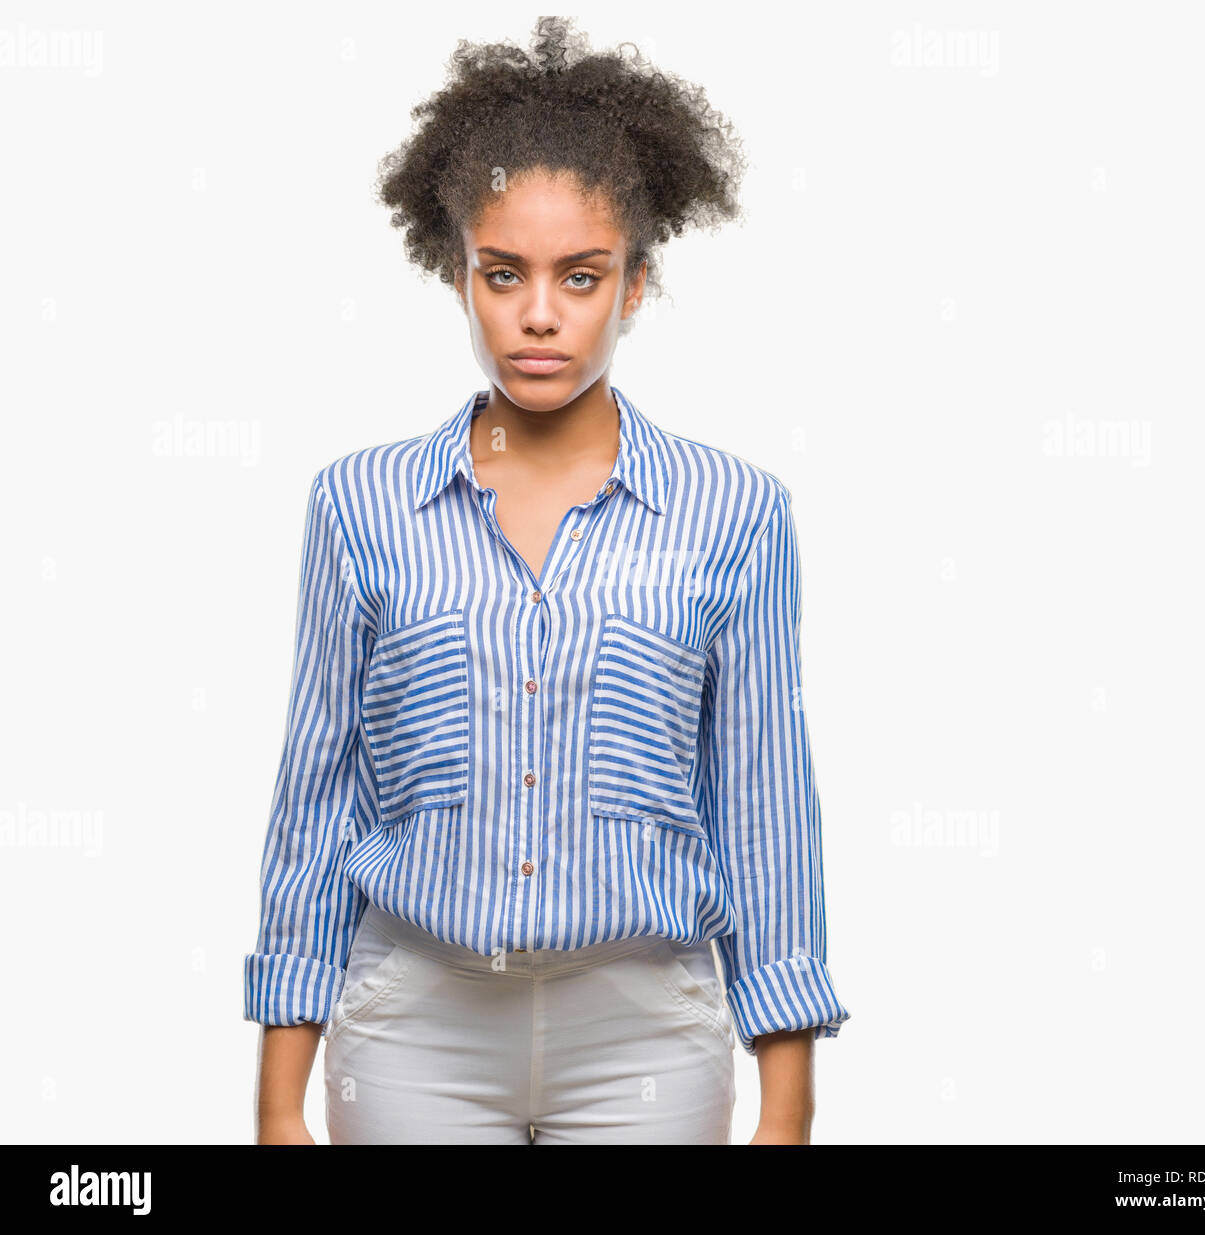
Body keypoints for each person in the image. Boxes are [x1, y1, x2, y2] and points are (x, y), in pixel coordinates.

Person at [243, 15, 849, 1146]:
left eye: (581, 276)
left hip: (645, 1036)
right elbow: (316, 799)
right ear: (456, 270)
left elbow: (765, 806)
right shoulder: (359, 505)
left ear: (635, 283)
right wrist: (279, 1099)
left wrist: (789, 1108)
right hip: (411, 1025)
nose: (537, 313)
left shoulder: (736, 513)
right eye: (502, 272)